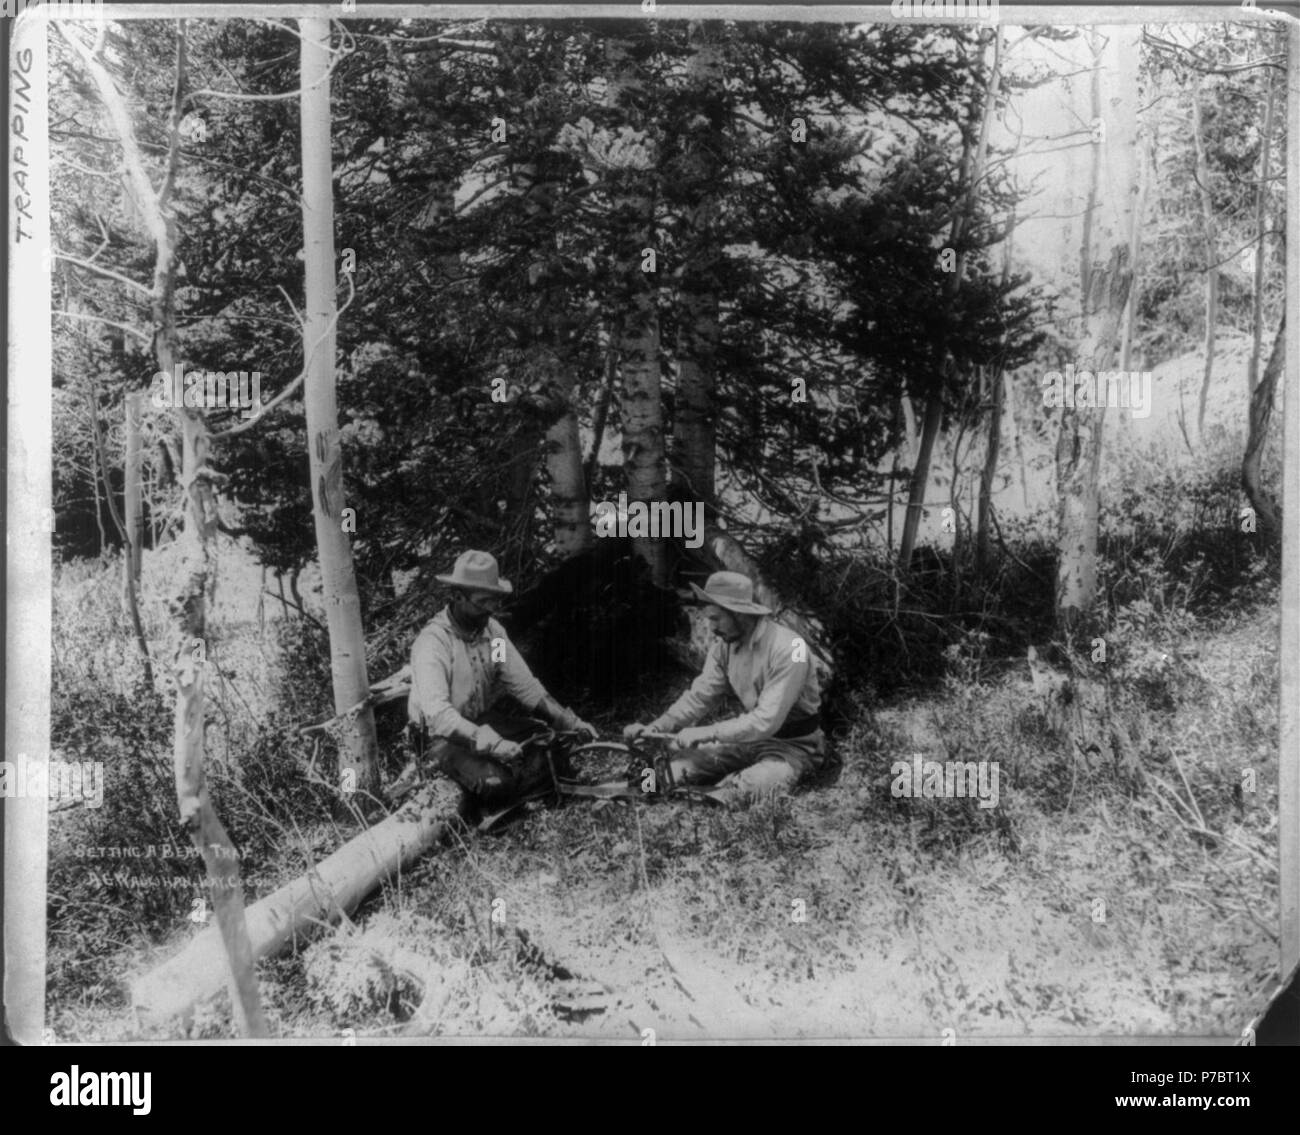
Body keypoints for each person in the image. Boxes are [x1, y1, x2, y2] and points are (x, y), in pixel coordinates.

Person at [397, 550, 597, 808]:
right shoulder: (434, 644)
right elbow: (439, 716)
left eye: (495, 602)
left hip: (481, 722)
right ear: (458, 596)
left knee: (547, 737)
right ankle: (505, 790)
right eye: (483, 602)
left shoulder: (493, 634)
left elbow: (524, 686)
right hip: (441, 738)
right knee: (496, 785)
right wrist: (490, 743)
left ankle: (519, 788)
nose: (490, 610)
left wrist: (571, 722)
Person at [623, 571, 825, 807]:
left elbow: (765, 721)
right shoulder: (725, 646)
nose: (711, 627)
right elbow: (699, 697)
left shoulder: (791, 647)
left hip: (794, 745)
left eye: (716, 619)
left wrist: (706, 733)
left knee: (747, 788)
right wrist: (656, 728)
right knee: (671, 772)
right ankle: (641, 790)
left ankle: (721, 793)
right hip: (747, 741)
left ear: (739, 613)